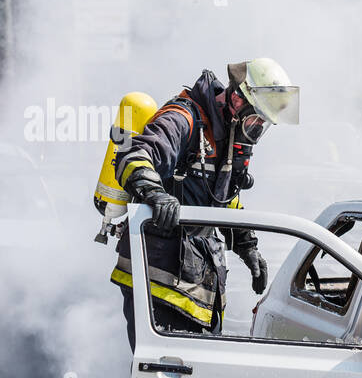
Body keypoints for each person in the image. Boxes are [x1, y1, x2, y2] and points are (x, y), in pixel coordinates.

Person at [111, 58, 299, 348]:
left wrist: (247, 246)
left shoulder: (226, 134)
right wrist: (156, 194)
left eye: (264, 122)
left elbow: (223, 197)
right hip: (160, 282)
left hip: (196, 287)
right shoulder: (182, 117)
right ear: (237, 98)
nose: (258, 127)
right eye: (256, 117)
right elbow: (134, 157)